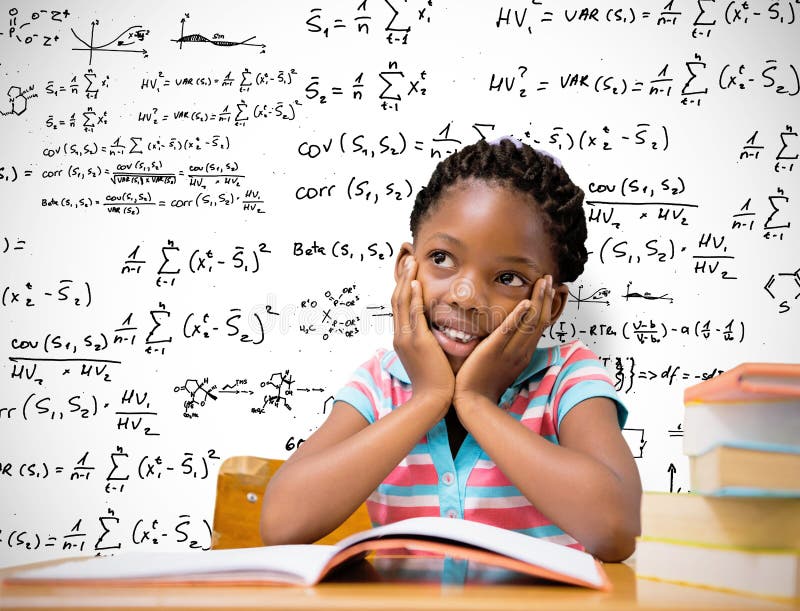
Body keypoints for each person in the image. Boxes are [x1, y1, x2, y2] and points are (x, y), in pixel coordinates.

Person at [261, 137, 642, 562]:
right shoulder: (379, 385)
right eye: (442, 257)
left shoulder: (568, 380)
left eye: (508, 278)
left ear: (549, 304)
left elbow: (615, 529)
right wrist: (427, 399)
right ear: (408, 267)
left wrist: (477, 403)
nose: (464, 295)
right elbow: (280, 522)